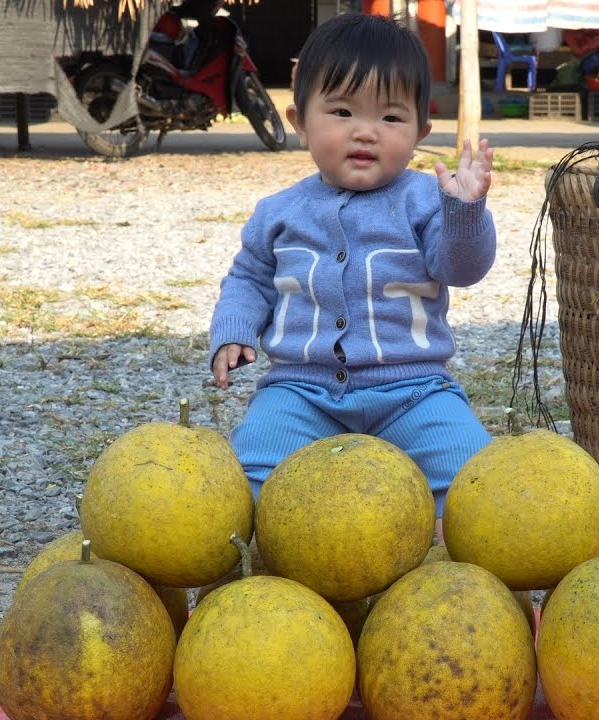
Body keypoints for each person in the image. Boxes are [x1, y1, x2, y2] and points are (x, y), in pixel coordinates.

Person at [208, 12, 497, 521]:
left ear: (421, 131)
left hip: (414, 391)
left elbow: (462, 268)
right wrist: (234, 330)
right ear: (300, 122)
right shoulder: (279, 212)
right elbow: (249, 278)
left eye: (391, 118)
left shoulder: (428, 202)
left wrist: (466, 212)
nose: (366, 132)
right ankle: (256, 560)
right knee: (250, 475)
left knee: (476, 480)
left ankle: (459, 557)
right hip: (301, 392)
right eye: (342, 111)